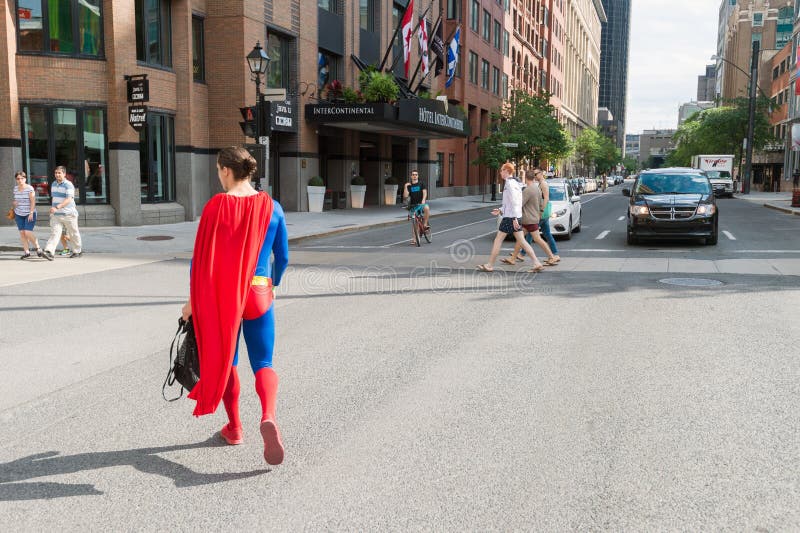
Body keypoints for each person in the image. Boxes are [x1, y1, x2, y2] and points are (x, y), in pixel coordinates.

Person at [181, 146, 289, 466]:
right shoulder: (273, 207)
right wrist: (273, 283)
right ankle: (268, 415)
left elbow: (199, 260)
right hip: (258, 292)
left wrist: (191, 302)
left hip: (223, 296)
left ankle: (235, 427)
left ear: (226, 171)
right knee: (263, 361)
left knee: (228, 358)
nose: (218, 176)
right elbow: (282, 258)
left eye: (218, 171)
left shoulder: (216, 206)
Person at [476, 162, 544, 273]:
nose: (500, 172)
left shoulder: (510, 183)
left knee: (498, 240)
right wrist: (501, 210)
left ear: (507, 171)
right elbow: (510, 202)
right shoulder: (515, 182)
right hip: (514, 216)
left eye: (502, 170)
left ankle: (489, 265)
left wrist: (514, 218)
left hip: (510, 218)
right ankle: (536, 263)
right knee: (522, 241)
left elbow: (515, 201)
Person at [502, 169, 558, 267]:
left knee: (537, 239)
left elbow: (520, 203)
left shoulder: (528, 190)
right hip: (532, 218)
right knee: (521, 238)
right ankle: (513, 258)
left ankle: (551, 257)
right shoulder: (537, 188)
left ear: (526, 178)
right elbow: (541, 202)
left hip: (529, 219)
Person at [42, 166, 83, 260]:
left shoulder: (68, 184)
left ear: (64, 174)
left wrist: (57, 207)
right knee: (55, 233)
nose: (57, 174)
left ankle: (77, 251)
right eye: (56, 173)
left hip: (69, 214)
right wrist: (53, 210)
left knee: (73, 233)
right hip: (56, 215)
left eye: (59, 173)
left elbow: (69, 199)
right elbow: (55, 198)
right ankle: (49, 251)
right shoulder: (53, 184)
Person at [12, 171, 42, 259]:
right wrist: (15, 203)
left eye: (22, 178)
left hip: (29, 213)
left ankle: (38, 247)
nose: (20, 180)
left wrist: (31, 213)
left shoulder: (30, 188)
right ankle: (27, 252)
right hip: (18, 213)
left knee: (27, 232)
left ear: (25, 179)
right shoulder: (15, 189)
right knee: (22, 233)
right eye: (18, 178)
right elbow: (16, 201)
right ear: (16, 180)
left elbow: (33, 202)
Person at [535, 170, 560, 263]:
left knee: (531, 232)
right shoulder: (540, 183)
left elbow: (546, 198)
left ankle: (521, 253)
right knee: (547, 234)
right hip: (543, 213)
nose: (534, 176)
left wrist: (541, 210)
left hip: (542, 213)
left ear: (541, 174)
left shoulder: (543, 184)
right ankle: (555, 254)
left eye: (535, 174)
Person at [403, 170, 430, 243]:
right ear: (411, 176)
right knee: (415, 223)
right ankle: (415, 239)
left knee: (427, 208)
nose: (414, 176)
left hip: (421, 204)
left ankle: (425, 224)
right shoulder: (409, 186)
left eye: (416, 174)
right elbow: (405, 196)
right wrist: (405, 186)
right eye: (413, 175)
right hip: (413, 205)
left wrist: (423, 200)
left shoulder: (421, 184)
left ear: (418, 176)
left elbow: (425, 193)